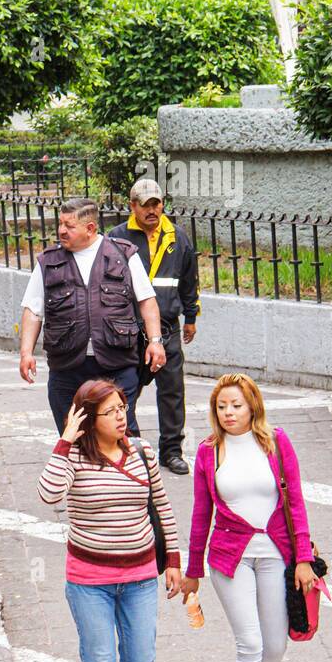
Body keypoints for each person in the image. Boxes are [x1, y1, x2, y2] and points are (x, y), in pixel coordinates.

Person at [38, 378, 181, 662]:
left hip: (139, 577)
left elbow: (162, 505)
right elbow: (49, 496)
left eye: (123, 408)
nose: (122, 417)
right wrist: (65, 440)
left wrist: (172, 558)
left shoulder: (142, 451)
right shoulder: (75, 459)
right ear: (87, 418)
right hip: (89, 582)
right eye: (111, 412)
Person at [180, 373, 316, 662]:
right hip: (229, 557)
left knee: (275, 644)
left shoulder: (276, 442)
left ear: (252, 406)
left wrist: (304, 557)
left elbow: (296, 503)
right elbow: (201, 513)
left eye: (236, 405)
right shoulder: (208, 452)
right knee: (250, 642)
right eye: (222, 407)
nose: (228, 413)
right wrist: (192, 571)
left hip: (276, 553)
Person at [19, 196, 166, 437]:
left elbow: (147, 301)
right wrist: (26, 353)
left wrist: (155, 342)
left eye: (69, 226)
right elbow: (33, 310)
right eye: (61, 224)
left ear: (90, 228)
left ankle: (129, 474)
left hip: (116, 365)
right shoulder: (49, 261)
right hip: (67, 367)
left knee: (122, 433)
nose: (61, 231)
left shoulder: (123, 254)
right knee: (72, 436)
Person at [108, 178, 200, 474]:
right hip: (129, 330)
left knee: (172, 392)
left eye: (156, 204)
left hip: (168, 328)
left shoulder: (178, 238)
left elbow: (189, 282)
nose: (152, 210)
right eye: (145, 205)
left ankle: (172, 451)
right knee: (124, 393)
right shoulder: (116, 238)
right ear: (131, 206)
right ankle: (128, 448)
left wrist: (191, 317)